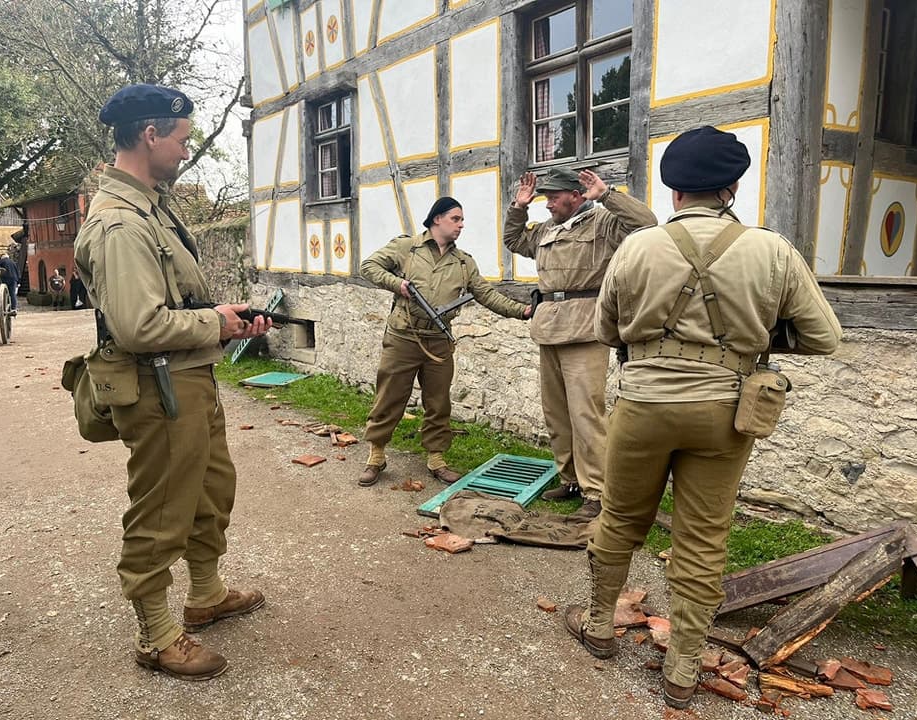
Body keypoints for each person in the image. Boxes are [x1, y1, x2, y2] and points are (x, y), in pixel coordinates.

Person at [563, 126, 842, 709]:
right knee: (703, 536)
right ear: (732, 187)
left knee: (620, 517)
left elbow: (606, 330)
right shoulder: (772, 250)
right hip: (724, 411)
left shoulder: (637, 247)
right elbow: (824, 337)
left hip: (643, 405)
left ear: (675, 191)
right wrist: (752, 342)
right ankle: (683, 668)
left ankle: (600, 626)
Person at [74, 83, 270, 681]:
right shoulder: (120, 223)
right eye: (181, 139)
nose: (187, 150)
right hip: (157, 388)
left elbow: (172, 303)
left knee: (210, 491)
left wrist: (225, 319)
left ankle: (205, 594)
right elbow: (138, 326)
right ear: (150, 134)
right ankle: (156, 636)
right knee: (162, 508)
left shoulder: (153, 206)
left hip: (187, 376)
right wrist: (215, 322)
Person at [504, 167, 656, 518]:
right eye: (545, 197)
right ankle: (570, 478)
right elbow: (514, 241)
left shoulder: (603, 223)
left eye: (553, 197)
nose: (548, 204)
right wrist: (519, 207)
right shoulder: (546, 229)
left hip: (586, 327)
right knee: (556, 413)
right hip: (549, 327)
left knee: (586, 413)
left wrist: (607, 195)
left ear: (575, 196)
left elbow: (646, 224)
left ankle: (596, 492)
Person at [358, 197, 532, 487]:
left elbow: (486, 294)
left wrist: (521, 310)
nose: (461, 225)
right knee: (389, 397)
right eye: (456, 219)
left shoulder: (464, 262)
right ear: (437, 219)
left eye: (462, 220)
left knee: (438, 402)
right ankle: (376, 456)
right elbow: (369, 266)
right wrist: (397, 284)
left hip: (438, 340)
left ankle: (436, 459)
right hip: (403, 336)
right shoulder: (407, 248)